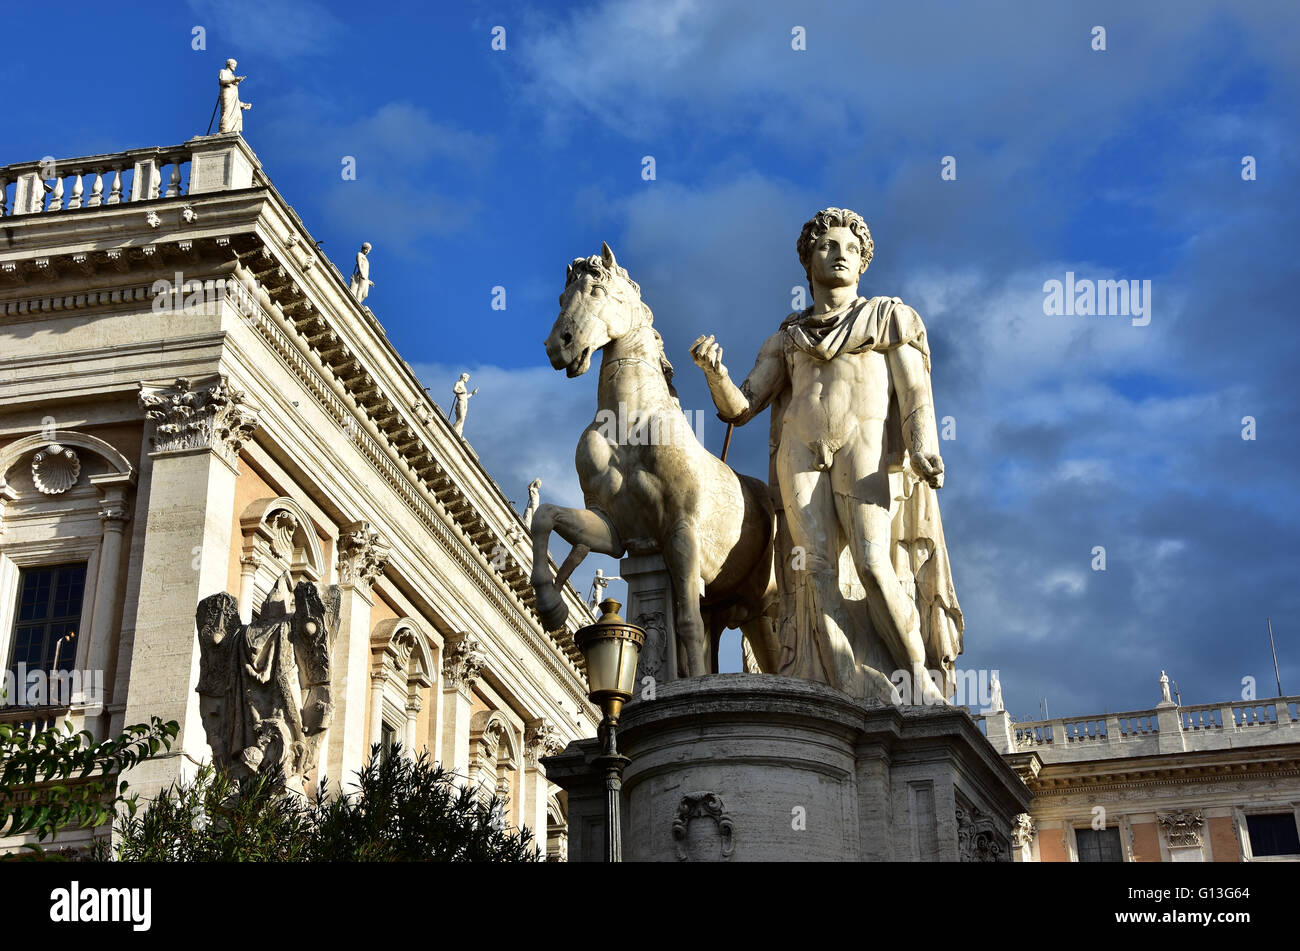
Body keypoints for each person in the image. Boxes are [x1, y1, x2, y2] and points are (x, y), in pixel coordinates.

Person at [690, 208, 961, 704]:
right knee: (812, 575)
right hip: (800, 448)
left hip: (864, 443)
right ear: (808, 259)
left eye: (851, 250)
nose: (840, 256)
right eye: (827, 247)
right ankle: (841, 686)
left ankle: (916, 676)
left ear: (863, 264)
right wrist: (714, 373)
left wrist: (924, 445)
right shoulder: (787, 336)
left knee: (874, 564)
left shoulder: (887, 317)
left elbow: (915, 390)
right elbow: (741, 407)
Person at [218, 59, 251, 134]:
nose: (235, 67)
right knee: (227, 112)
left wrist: (242, 104)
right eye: (234, 64)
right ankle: (224, 131)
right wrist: (234, 80)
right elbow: (222, 81)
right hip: (226, 94)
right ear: (229, 64)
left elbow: (235, 98)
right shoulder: (223, 71)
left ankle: (231, 131)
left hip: (232, 97)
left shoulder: (232, 76)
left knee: (237, 114)